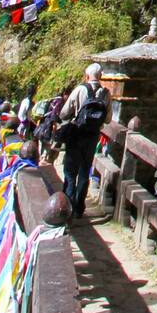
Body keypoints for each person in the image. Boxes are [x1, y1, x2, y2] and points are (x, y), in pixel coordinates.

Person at [59, 65, 112, 218]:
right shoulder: (106, 94)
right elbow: (108, 119)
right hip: (92, 137)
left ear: (87, 75)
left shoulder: (80, 90)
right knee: (84, 172)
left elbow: (64, 113)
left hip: (76, 135)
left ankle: (67, 207)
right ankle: (79, 208)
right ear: (100, 76)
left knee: (70, 172)